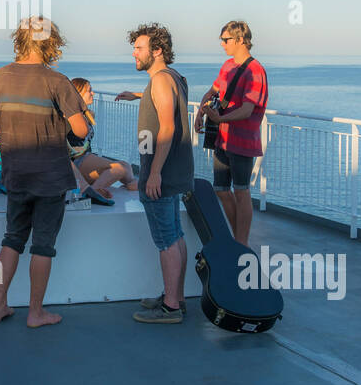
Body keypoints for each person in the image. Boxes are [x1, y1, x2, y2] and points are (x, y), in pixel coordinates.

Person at [0, 17, 90, 328]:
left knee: (12, 238)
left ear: (21, 40)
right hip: (50, 175)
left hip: (16, 172)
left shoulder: (1, 76)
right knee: (43, 244)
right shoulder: (57, 81)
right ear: (51, 43)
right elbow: (81, 130)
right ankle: (35, 313)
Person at [114, 23, 195, 324]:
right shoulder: (172, 77)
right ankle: (178, 297)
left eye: (139, 48)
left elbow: (168, 127)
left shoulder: (160, 80)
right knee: (175, 235)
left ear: (157, 50)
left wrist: (154, 174)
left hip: (162, 171)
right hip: (177, 171)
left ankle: (170, 308)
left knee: (165, 241)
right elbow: (165, 101)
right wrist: (139, 95)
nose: (133, 53)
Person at [193, 20, 268, 246]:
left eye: (226, 40)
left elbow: (247, 109)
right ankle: (237, 239)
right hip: (222, 139)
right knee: (222, 190)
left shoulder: (256, 71)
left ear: (240, 40)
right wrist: (200, 113)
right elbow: (214, 90)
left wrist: (220, 118)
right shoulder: (227, 66)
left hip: (243, 142)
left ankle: (241, 243)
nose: (222, 44)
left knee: (242, 191)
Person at [66, 78, 137, 200]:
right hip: (76, 162)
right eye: (89, 91)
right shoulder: (69, 117)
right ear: (78, 95)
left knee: (126, 166)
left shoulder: (88, 115)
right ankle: (93, 191)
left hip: (86, 158)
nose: (93, 93)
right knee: (119, 168)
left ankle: (133, 184)